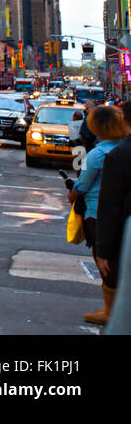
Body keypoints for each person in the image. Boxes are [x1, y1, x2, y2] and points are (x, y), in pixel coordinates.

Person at [70, 105, 127, 325]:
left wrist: (72, 194)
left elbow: (83, 185)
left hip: (97, 213)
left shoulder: (97, 154)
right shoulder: (122, 148)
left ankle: (111, 311)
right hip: (121, 213)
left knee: (103, 260)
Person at [96, 115, 131, 328]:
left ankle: (110, 311)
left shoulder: (117, 155)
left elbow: (109, 205)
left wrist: (104, 250)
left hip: (122, 234)